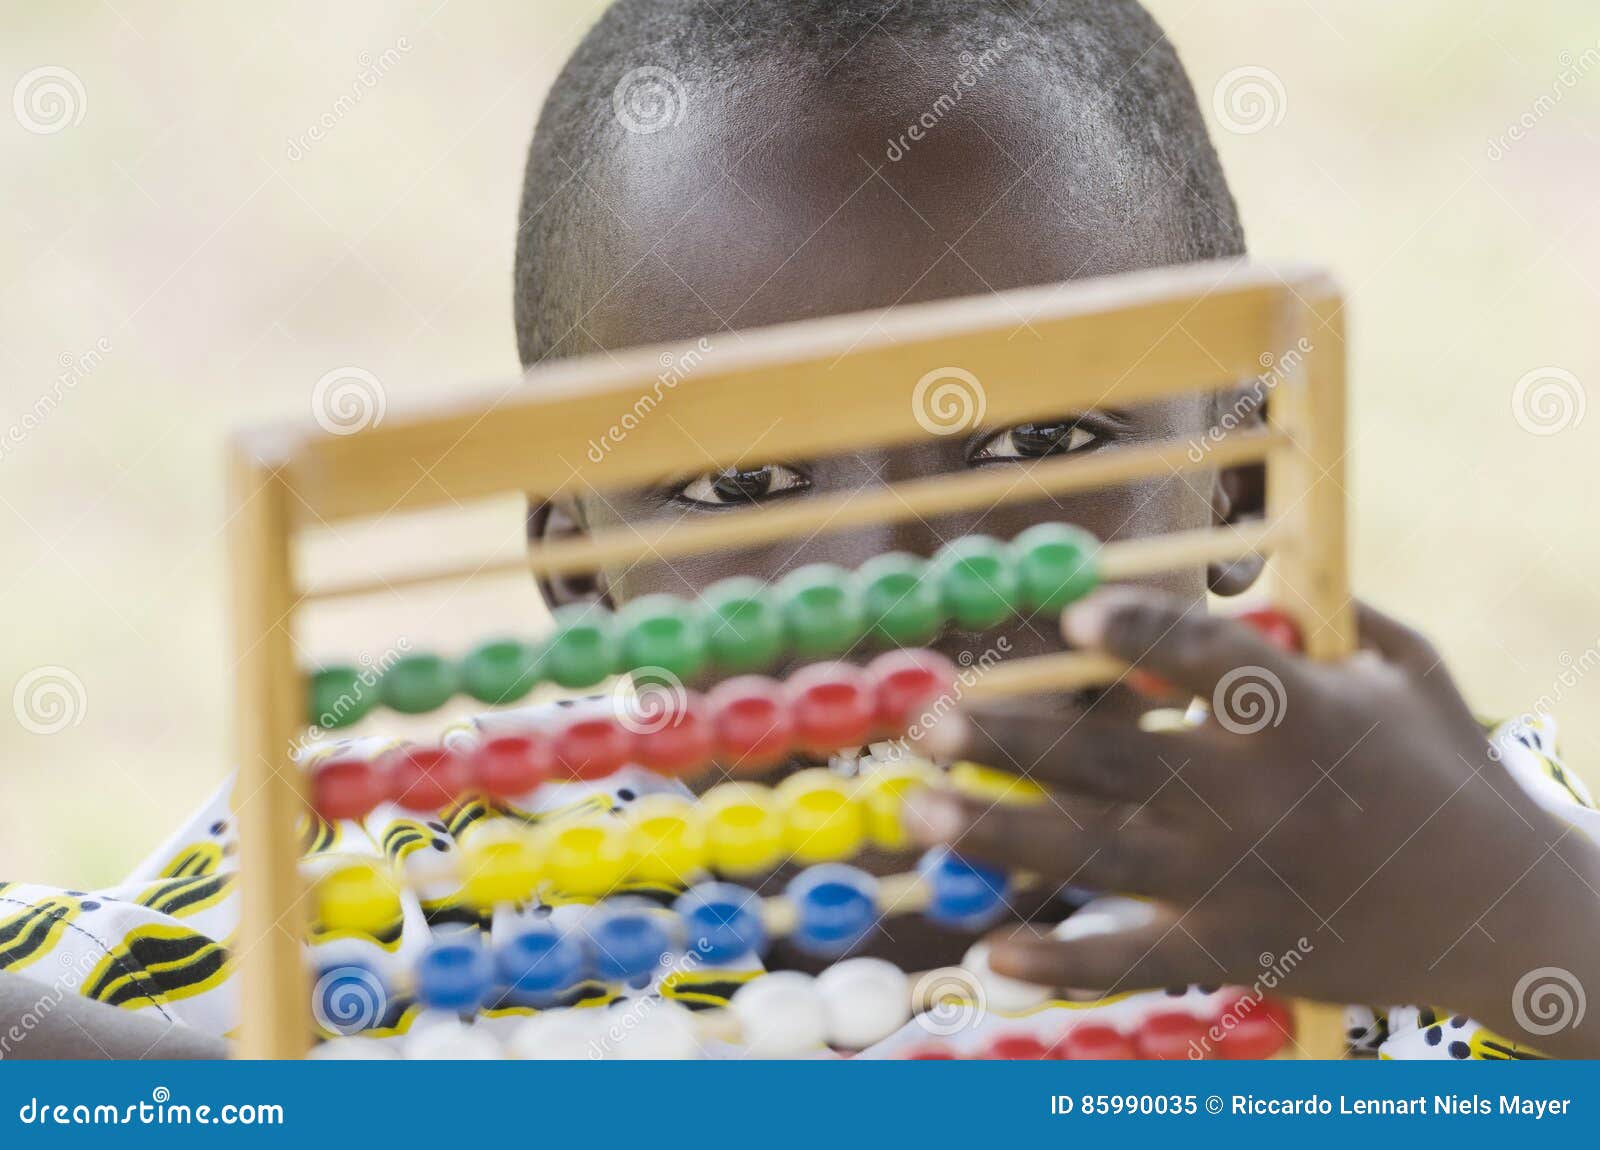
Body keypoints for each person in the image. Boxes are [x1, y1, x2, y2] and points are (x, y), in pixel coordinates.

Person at [4, 0, 1595, 1060]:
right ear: (579, 568)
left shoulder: (1434, 867)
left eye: (1038, 444)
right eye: (737, 486)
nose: (885, 591)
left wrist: (1526, 920)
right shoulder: (393, 895)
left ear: (1240, 482)